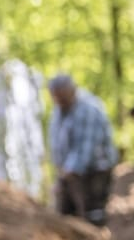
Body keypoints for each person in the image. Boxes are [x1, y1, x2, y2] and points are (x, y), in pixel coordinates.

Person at [47, 73, 118, 226]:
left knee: (93, 215)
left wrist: (66, 174)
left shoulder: (88, 109)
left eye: (62, 96)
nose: (59, 100)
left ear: (72, 90)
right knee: (66, 214)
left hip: (95, 170)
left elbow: (85, 149)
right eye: (56, 97)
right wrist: (60, 173)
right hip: (70, 170)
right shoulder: (59, 110)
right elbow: (57, 144)